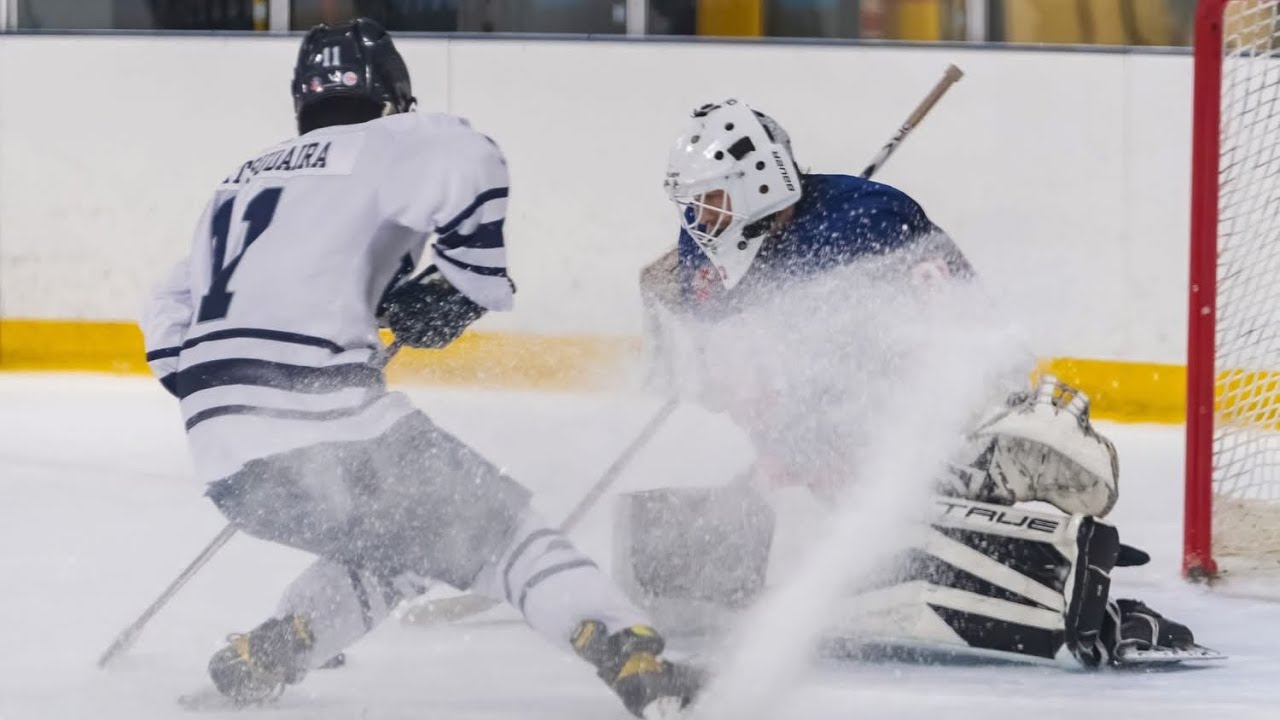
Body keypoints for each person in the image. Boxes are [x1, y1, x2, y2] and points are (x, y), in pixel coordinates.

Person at [140, 18, 698, 717]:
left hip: (223, 461)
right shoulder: (387, 140)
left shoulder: (237, 185)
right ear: (388, 94)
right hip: (330, 424)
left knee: (409, 536)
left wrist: (216, 394)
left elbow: (166, 304)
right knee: (500, 534)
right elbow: (472, 156)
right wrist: (468, 281)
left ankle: (278, 647)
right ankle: (628, 652)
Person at [625, 98, 1212, 668]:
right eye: (695, 205)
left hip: (919, 409)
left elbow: (956, 338)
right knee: (748, 522)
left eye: (712, 201)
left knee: (922, 500)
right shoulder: (706, 244)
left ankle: (1035, 549)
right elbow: (694, 313)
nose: (699, 219)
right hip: (815, 430)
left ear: (758, 182)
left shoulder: (870, 220)